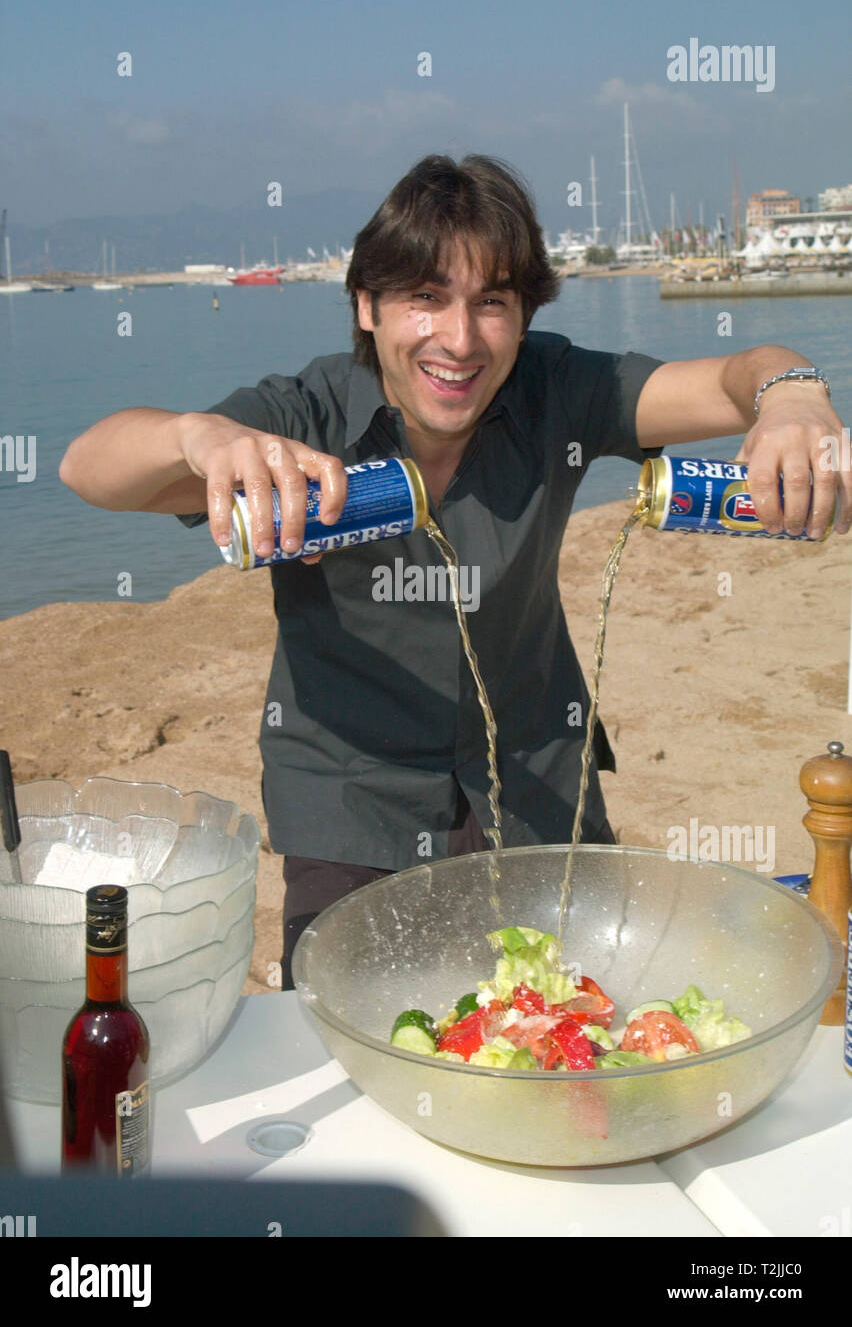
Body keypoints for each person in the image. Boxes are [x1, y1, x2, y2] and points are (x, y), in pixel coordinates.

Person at [60, 154, 851, 987]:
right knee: (353, 1046)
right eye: (425, 298)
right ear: (366, 305)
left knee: (579, 1034)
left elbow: (735, 379)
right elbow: (89, 467)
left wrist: (791, 392)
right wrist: (199, 435)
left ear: (523, 313)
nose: (460, 339)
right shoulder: (305, 414)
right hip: (351, 810)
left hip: (542, 783)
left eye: (492, 304)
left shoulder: (556, 390)